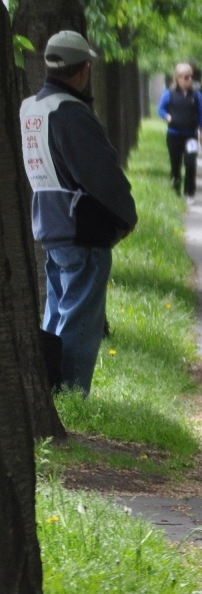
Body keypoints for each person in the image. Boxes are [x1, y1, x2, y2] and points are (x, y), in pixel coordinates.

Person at [20, 30, 138, 394]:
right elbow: (102, 176)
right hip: (82, 229)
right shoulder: (70, 113)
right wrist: (126, 216)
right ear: (84, 68)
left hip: (50, 223)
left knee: (57, 316)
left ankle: (50, 391)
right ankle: (70, 394)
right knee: (80, 323)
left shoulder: (30, 108)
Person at [156, 62, 202, 205]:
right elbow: (160, 109)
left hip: (190, 135)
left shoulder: (196, 95)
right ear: (177, 78)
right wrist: (167, 117)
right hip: (174, 134)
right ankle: (175, 191)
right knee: (175, 165)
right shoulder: (169, 94)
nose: (189, 80)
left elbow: (201, 114)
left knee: (190, 163)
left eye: (191, 77)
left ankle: (189, 192)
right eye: (186, 77)